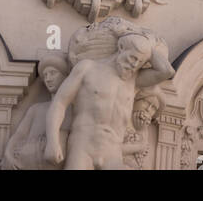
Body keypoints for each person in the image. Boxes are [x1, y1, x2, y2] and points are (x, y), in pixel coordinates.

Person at [45, 32, 173, 171]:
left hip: (113, 154)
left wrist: (148, 48)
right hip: (83, 148)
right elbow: (59, 102)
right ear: (121, 47)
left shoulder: (134, 80)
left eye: (139, 62)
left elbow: (166, 71)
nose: (133, 65)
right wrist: (52, 141)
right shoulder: (87, 68)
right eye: (132, 57)